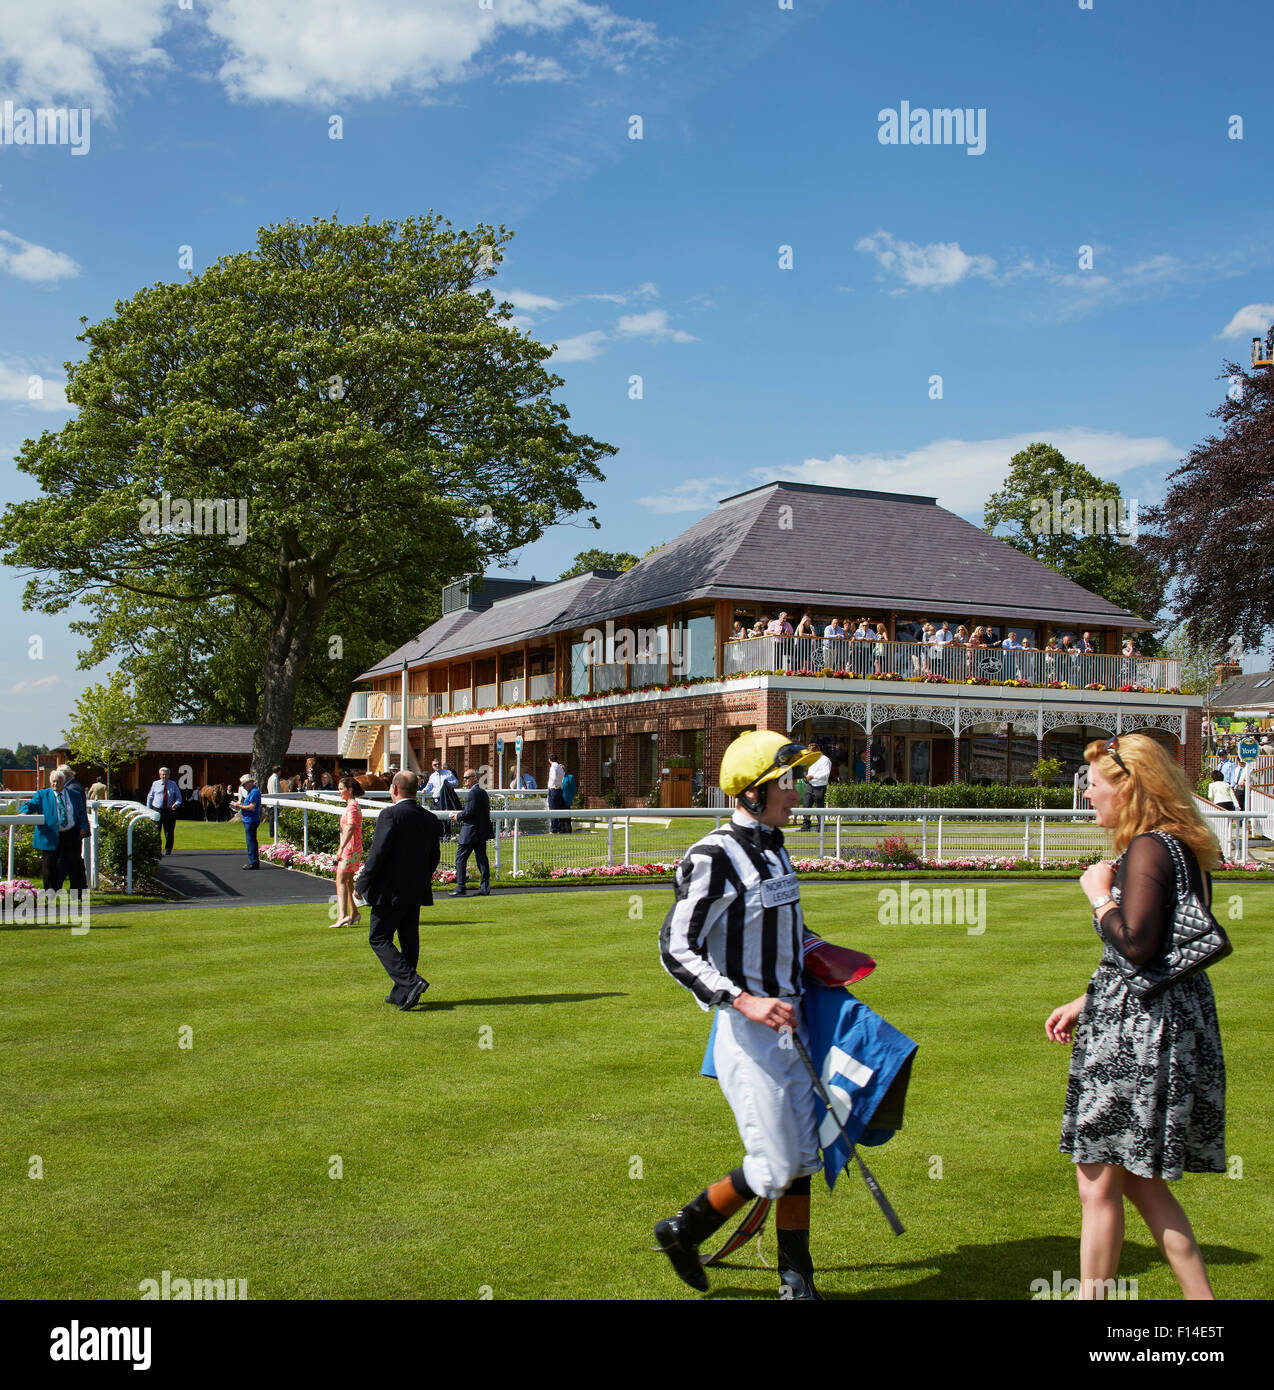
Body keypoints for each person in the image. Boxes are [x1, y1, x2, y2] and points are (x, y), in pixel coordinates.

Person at [1045, 733, 1226, 1300]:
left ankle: (1091, 1299)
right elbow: (1160, 954)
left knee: (1098, 1177)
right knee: (1143, 1184)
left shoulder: (1149, 848)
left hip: (1140, 1036)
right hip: (1161, 1019)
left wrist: (1099, 896)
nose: (1089, 797)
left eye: (1095, 786)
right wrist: (1087, 1000)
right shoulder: (1180, 847)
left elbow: (1139, 944)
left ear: (1129, 789)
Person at [656, 730, 823, 1299]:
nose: (795, 793)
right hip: (747, 1032)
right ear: (750, 793)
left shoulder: (774, 845)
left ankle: (795, 1280)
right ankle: (684, 1229)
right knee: (775, 1167)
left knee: (802, 1159)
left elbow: (783, 930)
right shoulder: (712, 855)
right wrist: (744, 999)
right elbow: (675, 947)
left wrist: (822, 954)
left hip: (792, 1025)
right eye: (785, 783)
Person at [354, 771, 440, 1010]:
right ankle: (401, 992)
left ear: (394, 789)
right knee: (408, 941)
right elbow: (434, 857)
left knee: (379, 937)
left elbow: (377, 854)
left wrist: (362, 884)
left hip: (389, 891)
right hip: (415, 889)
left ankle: (411, 983)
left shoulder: (390, 815)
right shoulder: (430, 818)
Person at [21, 768, 89, 891]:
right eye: (53, 781)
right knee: (49, 865)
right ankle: (50, 894)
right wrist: (25, 813)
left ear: (64, 782)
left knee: (74, 863)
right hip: (51, 835)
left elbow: (81, 813)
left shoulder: (74, 795)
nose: (55, 784)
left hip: (70, 834)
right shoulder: (42, 795)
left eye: (58, 782)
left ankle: (78, 894)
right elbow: (30, 805)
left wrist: (84, 827)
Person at [449, 768, 493, 896]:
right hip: (480, 833)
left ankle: (460, 887)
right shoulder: (482, 792)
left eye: (467, 778)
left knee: (460, 859)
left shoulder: (474, 793)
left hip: (470, 832)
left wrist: (458, 816)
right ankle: (485, 888)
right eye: (464, 778)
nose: (464, 780)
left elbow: (469, 812)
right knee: (481, 860)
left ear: (475, 778)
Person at [332, 775, 365, 927]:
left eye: (341, 789)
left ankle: (343, 915)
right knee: (348, 881)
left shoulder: (352, 806)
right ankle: (354, 913)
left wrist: (341, 848)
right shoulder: (353, 805)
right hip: (355, 847)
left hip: (350, 848)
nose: (339, 792)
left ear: (349, 790)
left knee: (340, 880)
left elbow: (350, 827)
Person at [145, 766, 184, 857]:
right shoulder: (155, 784)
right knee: (156, 830)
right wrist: (148, 810)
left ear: (169, 775)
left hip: (169, 810)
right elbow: (150, 797)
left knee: (169, 831)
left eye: (166, 774)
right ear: (160, 775)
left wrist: (176, 804)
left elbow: (179, 797)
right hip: (157, 810)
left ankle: (168, 849)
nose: (164, 776)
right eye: (163, 774)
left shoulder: (173, 784)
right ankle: (157, 848)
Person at [230, 774, 262, 870]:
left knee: (251, 841)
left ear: (249, 783)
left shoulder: (254, 792)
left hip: (251, 820)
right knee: (251, 841)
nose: (243, 787)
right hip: (249, 819)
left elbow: (252, 807)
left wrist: (240, 806)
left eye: (244, 785)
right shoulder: (252, 792)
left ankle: (254, 862)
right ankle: (253, 861)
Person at [799, 740, 831, 831]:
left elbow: (826, 774)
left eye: (812, 753)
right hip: (810, 785)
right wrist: (806, 776)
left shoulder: (825, 760)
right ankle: (805, 826)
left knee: (819, 807)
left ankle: (820, 826)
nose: (810, 754)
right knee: (806, 805)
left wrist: (813, 776)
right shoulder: (811, 759)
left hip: (820, 786)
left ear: (817, 751)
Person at [546, 751, 568, 833]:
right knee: (558, 809)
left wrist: (551, 784)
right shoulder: (560, 767)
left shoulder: (553, 767)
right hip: (559, 789)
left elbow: (554, 778)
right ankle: (558, 828)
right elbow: (563, 777)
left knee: (553, 810)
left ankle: (554, 829)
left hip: (553, 789)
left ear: (549, 760)